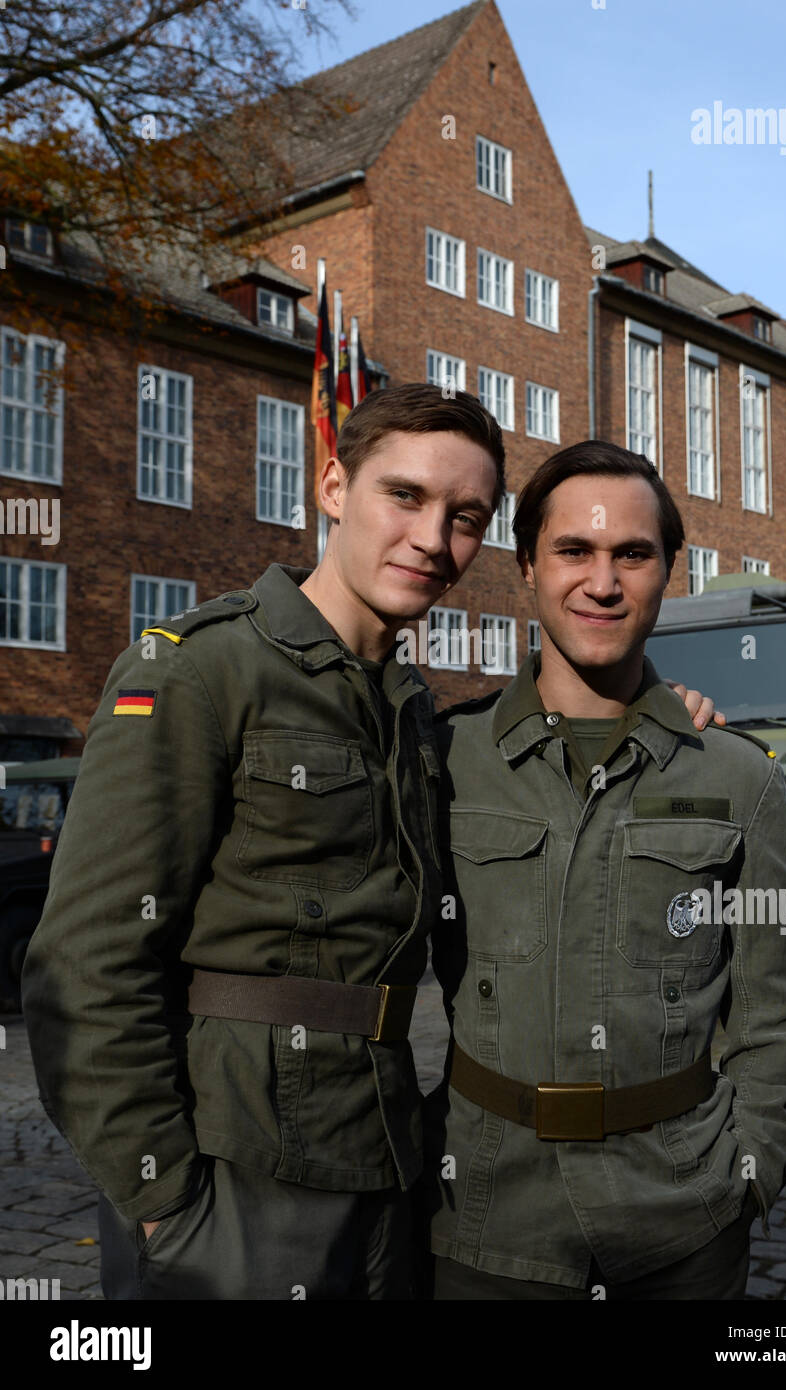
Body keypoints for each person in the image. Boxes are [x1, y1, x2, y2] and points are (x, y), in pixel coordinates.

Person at [21, 385, 720, 1301]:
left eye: (465, 516)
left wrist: (659, 720)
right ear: (333, 486)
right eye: (405, 496)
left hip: (388, 1165)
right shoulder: (200, 669)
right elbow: (84, 963)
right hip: (237, 1179)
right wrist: (164, 1201)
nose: (434, 538)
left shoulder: (413, 708)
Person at [427, 439, 786, 1301]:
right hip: (485, 1221)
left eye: (632, 554)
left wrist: (747, 1176)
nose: (601, 583)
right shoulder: (444, 760)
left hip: (679, 1225)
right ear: (527, 565)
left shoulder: (736, 776)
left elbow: (779, 1011)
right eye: (574, 550)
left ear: (668, 572)